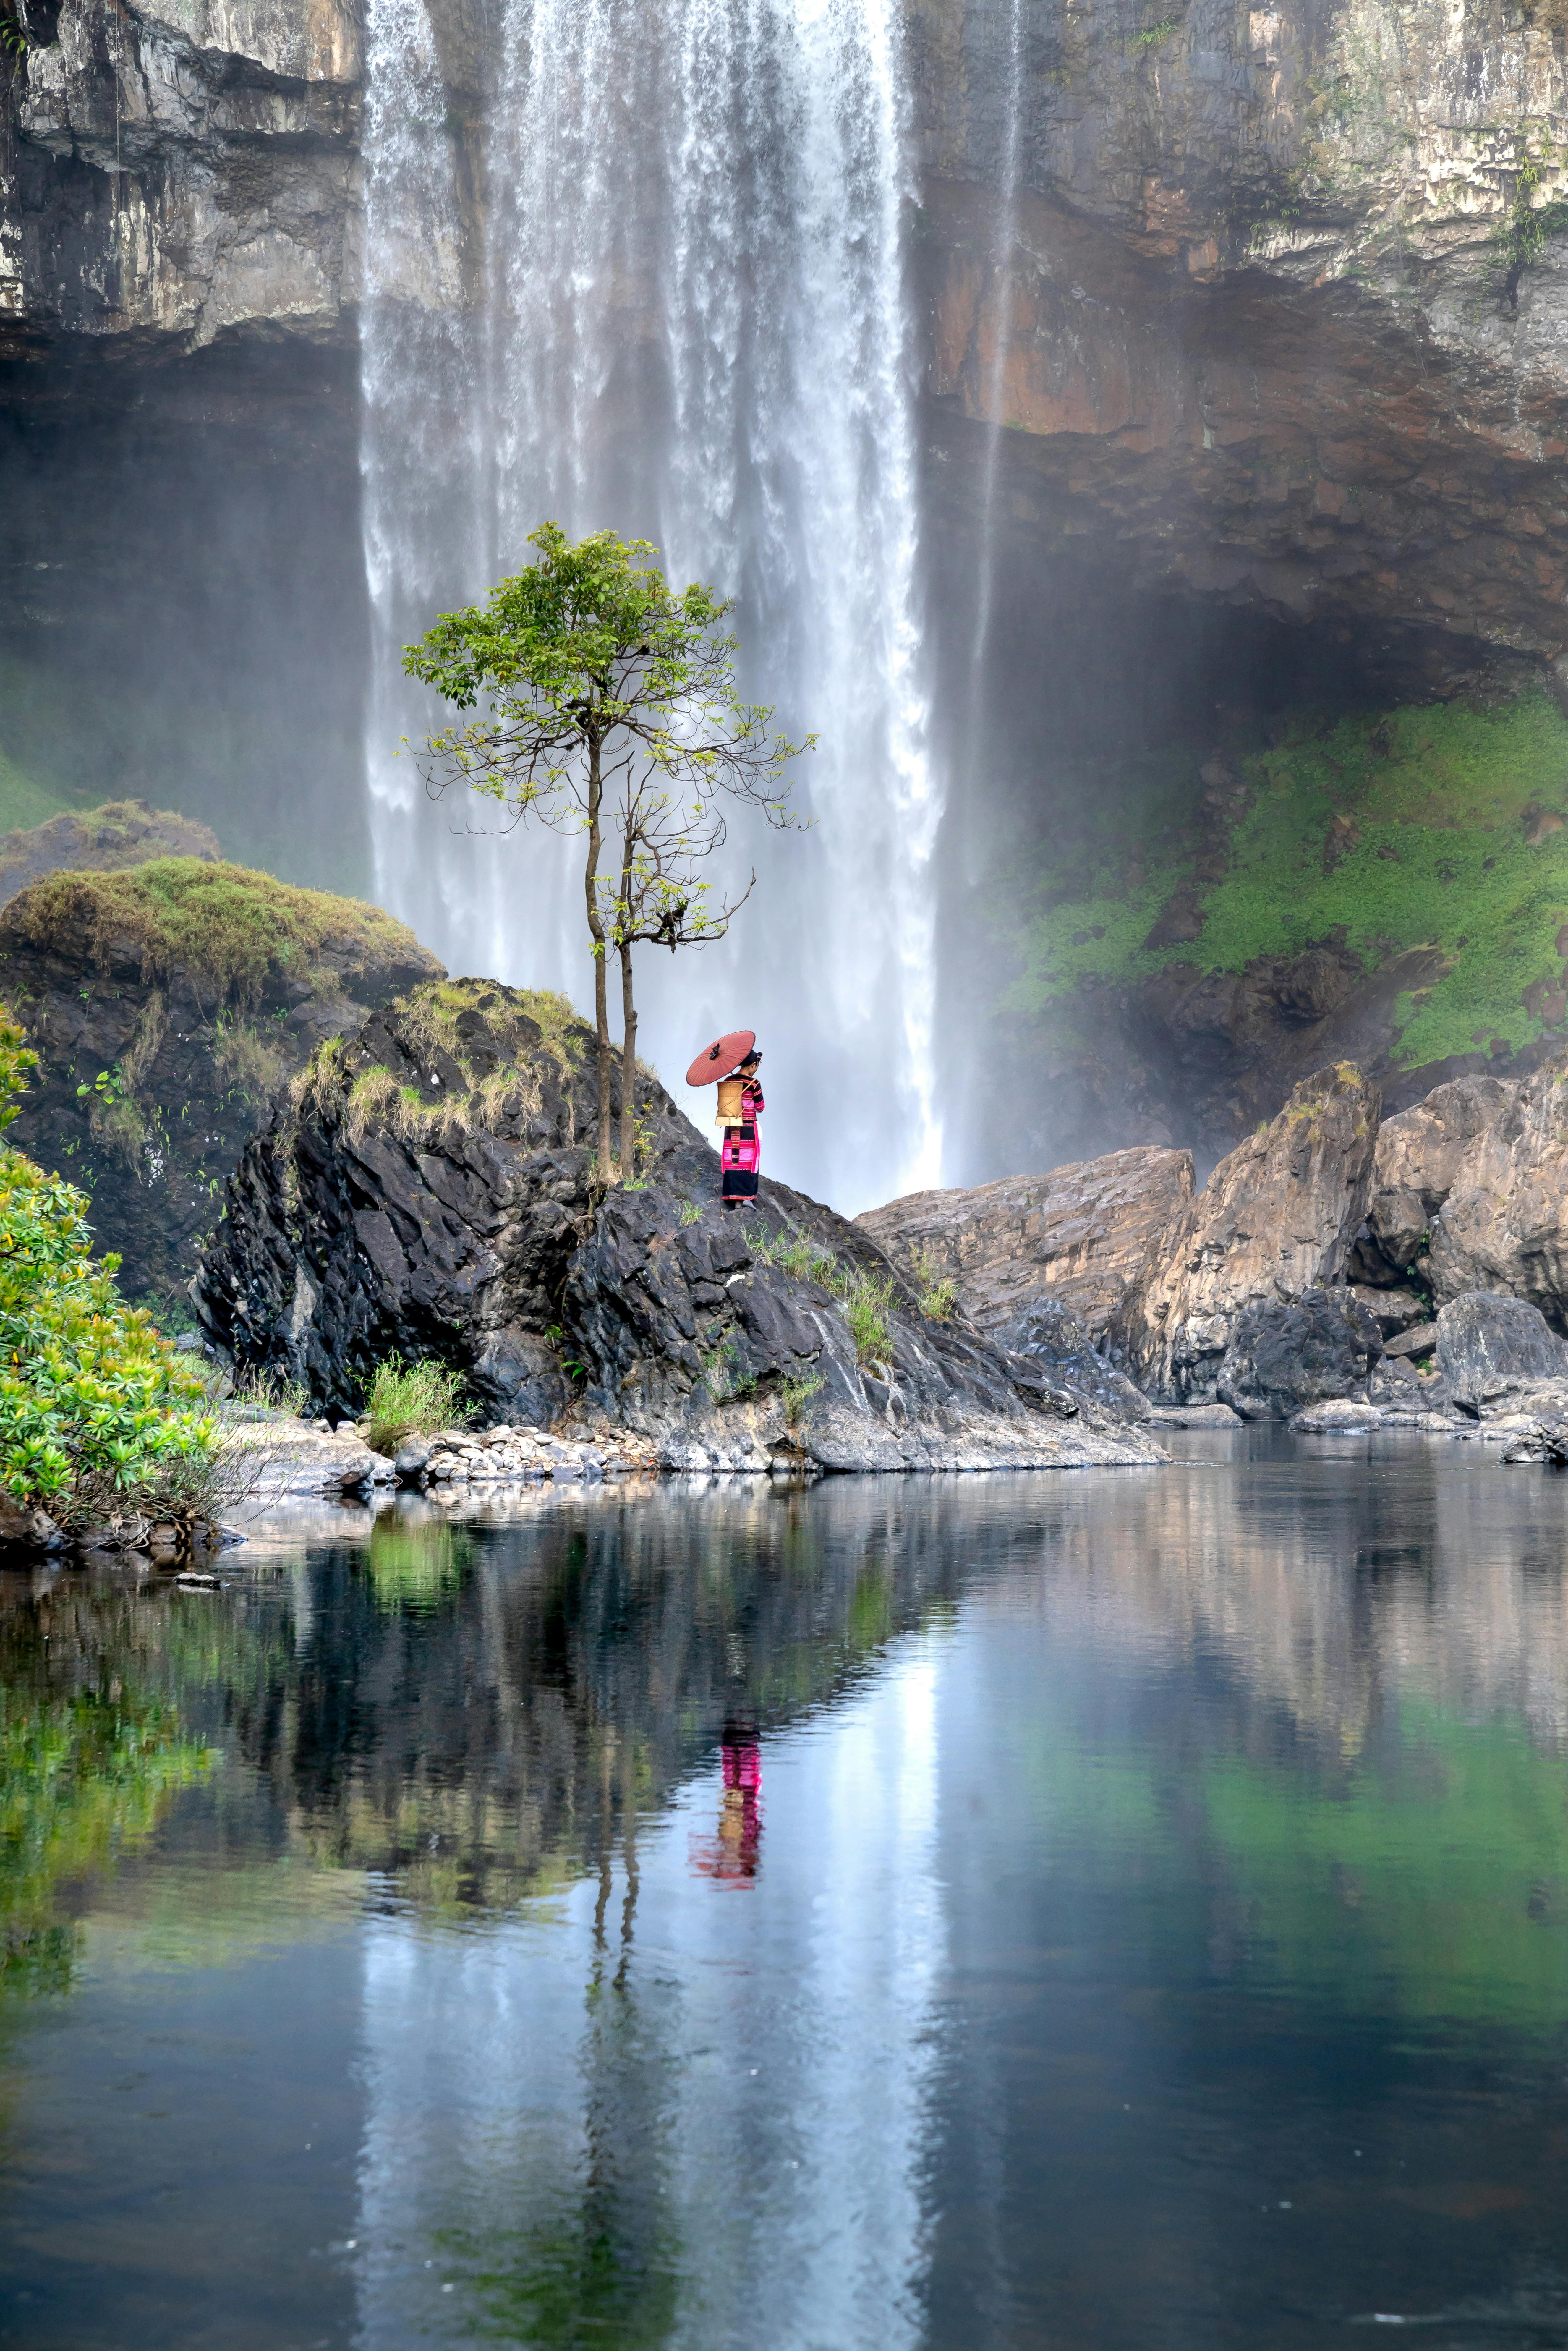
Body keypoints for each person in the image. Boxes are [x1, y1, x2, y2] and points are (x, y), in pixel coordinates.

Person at [719, 1049, 764, 1210]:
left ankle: (736, 1200)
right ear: (753, 1065)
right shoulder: (754, 1084)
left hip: (731, 1127)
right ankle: (746, 1199)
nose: (757, 1069)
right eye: (757, 1066)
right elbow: (761, 1107)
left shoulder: (728, 1080)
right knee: (748, 1161)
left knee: (734, 1160)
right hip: (748, 1128)